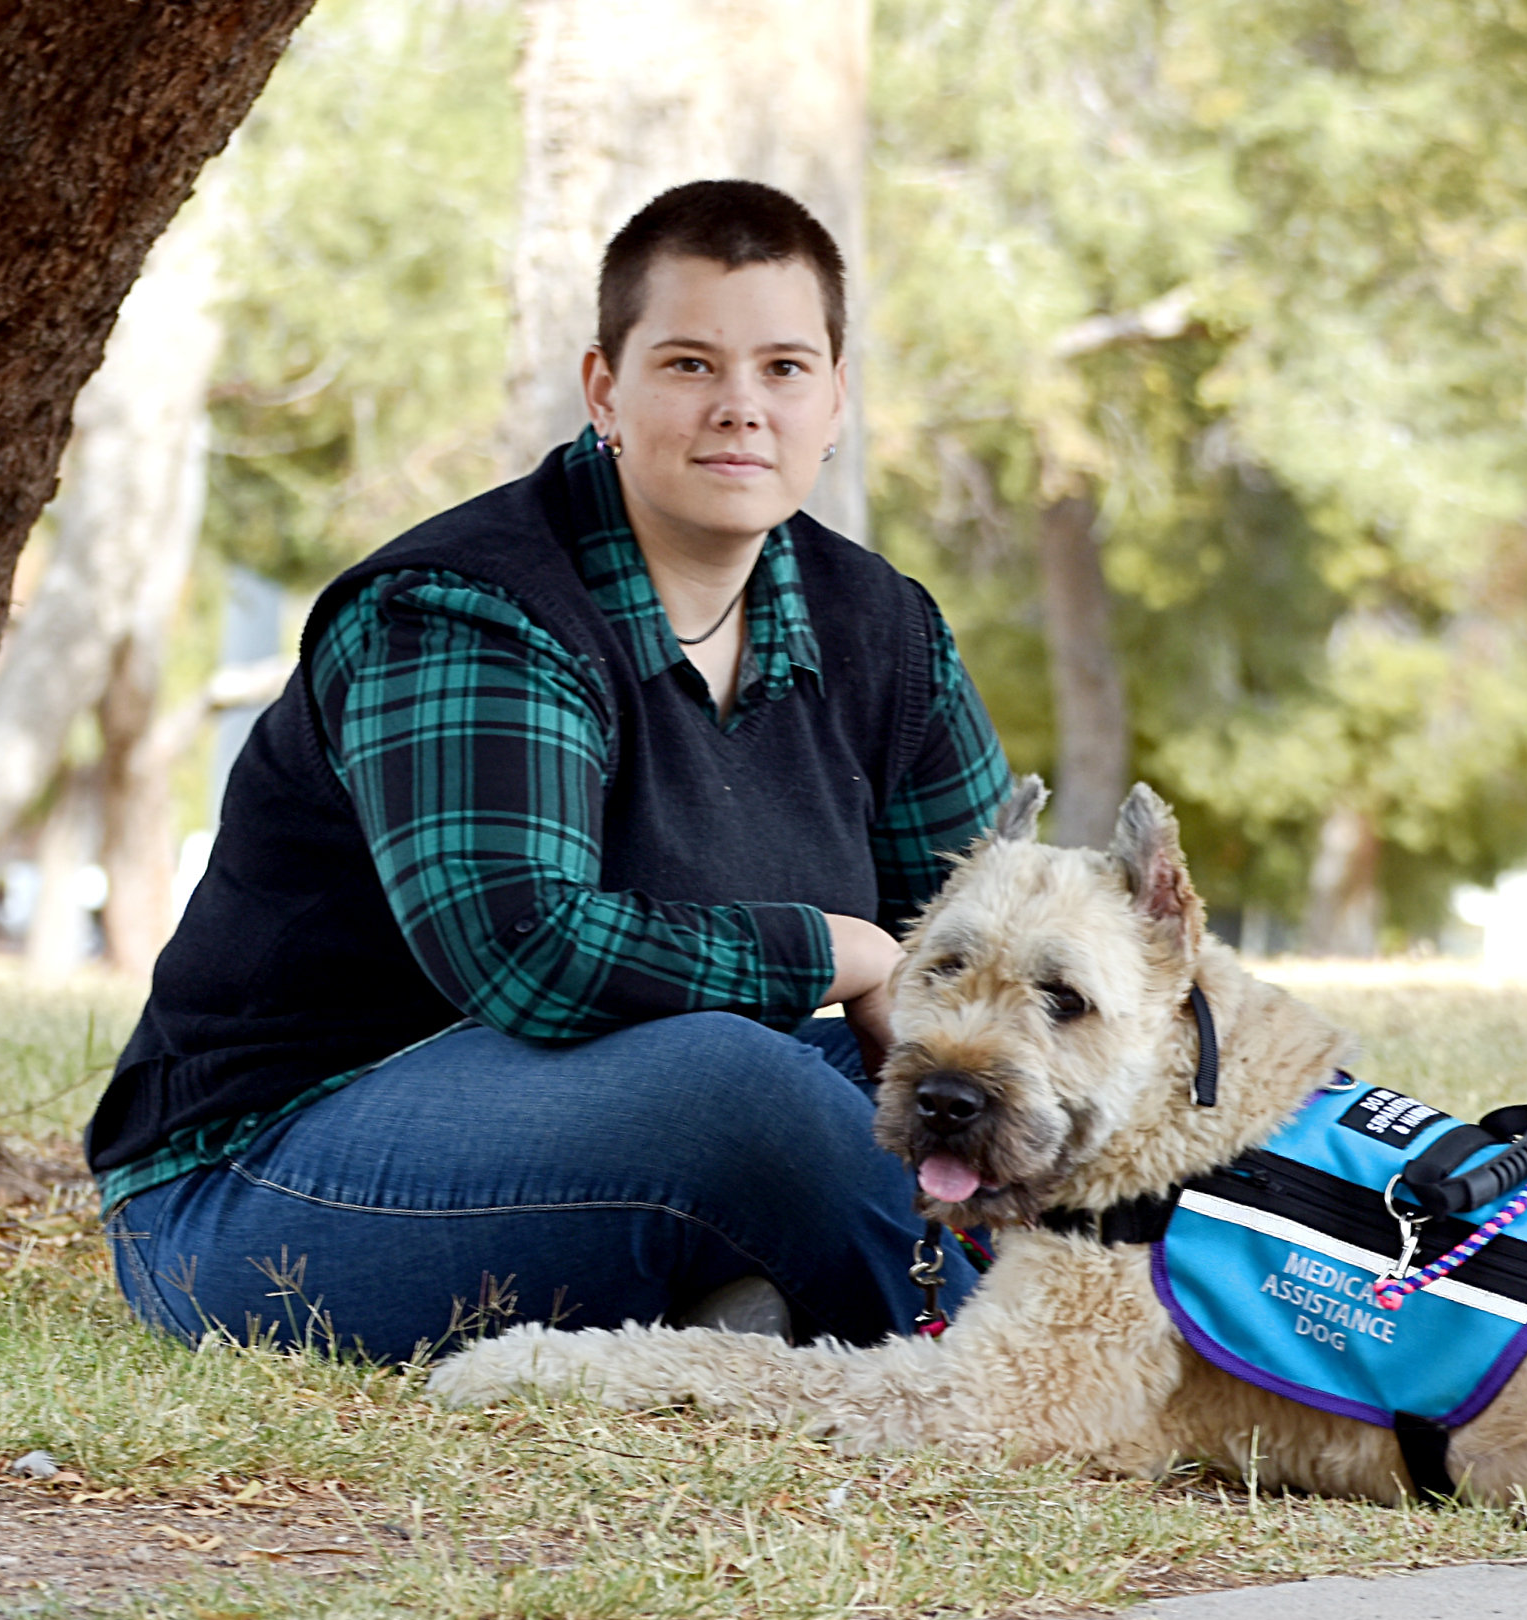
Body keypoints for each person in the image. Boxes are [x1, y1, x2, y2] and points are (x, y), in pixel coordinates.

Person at [88, 180, 1008, 1359]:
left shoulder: (879, 626)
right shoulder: (465, 610)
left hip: (617, 1132)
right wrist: (849, 950)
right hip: (260, 1182)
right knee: (740, 1087)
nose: (741, 408)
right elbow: (525, 953)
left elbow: (983, 930)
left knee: (1017, 1069)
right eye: (688, 364)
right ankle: (1029, 1369)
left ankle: (1228, 1302)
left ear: (834, 398)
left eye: (784, 367)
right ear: (603, 391)